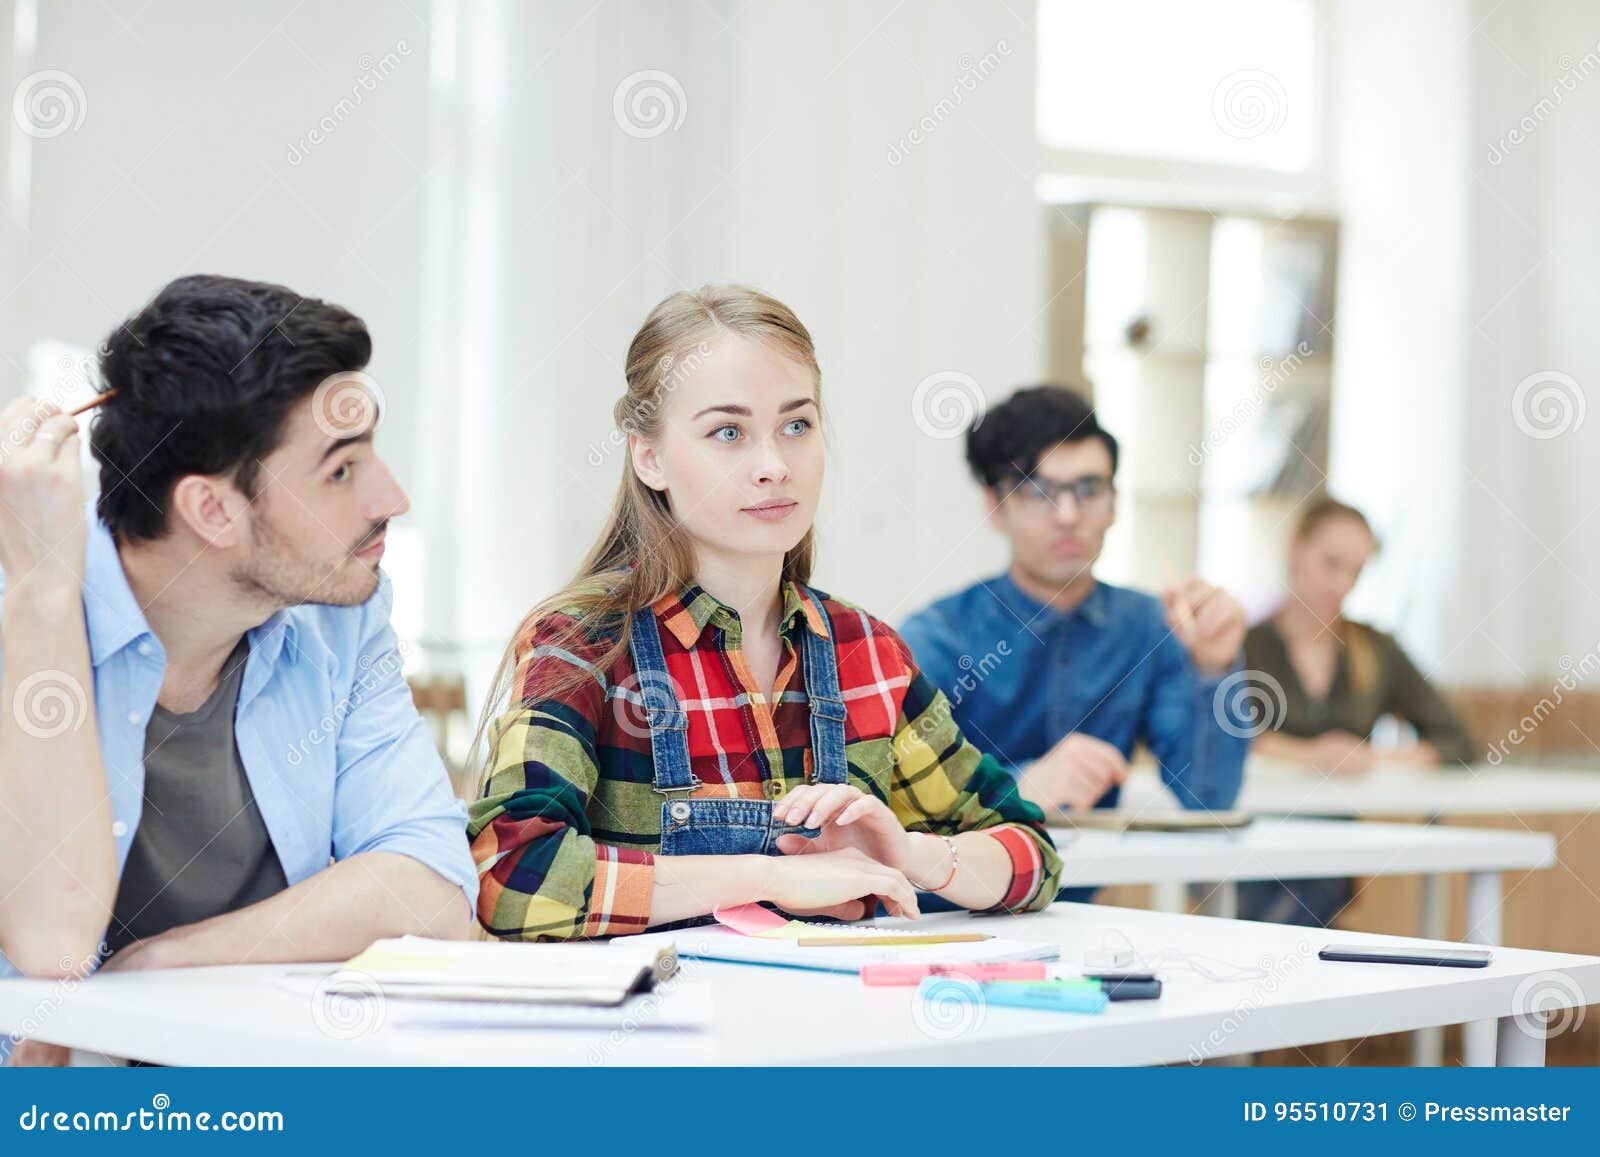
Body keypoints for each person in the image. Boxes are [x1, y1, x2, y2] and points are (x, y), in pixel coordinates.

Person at [468, 286, 1061, 941]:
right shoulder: (582, 644)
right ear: (650, 456)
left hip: (835, 1039)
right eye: (729, 431)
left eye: (796, 425)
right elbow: (512, 875)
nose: (775, 465)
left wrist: (907, 851)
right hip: (662, 1041)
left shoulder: (865, 652)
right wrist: (767, 877)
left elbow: (1033, 856)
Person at [0, 275, 477, 1066]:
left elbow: (429, 883)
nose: (390, 496)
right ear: (212, 510)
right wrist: (43, 597)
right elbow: (53, 941)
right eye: (340, 472)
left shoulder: (343, 615)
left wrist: (160, 961)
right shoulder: (25, 604)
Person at [899, 386, 1251, 854]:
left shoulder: (1150, 626)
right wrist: (1017, 789)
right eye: (1037, 491)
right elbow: (890, 798)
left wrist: (1213, 670)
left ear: (1113, 503)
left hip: (1096, 913)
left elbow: (1209, 801)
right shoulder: (937, 636)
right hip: (957, 913)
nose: (1067, 515)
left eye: (1088, 490)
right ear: (995, 507)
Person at [1235, 497, 1475, 926]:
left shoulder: (1376, 651)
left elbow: (1456, 740)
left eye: (1356, 571)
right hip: (1249, 849)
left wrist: (1373, 760)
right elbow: (1220, 740)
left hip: (1334, 857)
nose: (1342, 584)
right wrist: (1311, 757)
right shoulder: (1243, 645)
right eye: (1331, 564)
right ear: (1295, 550)